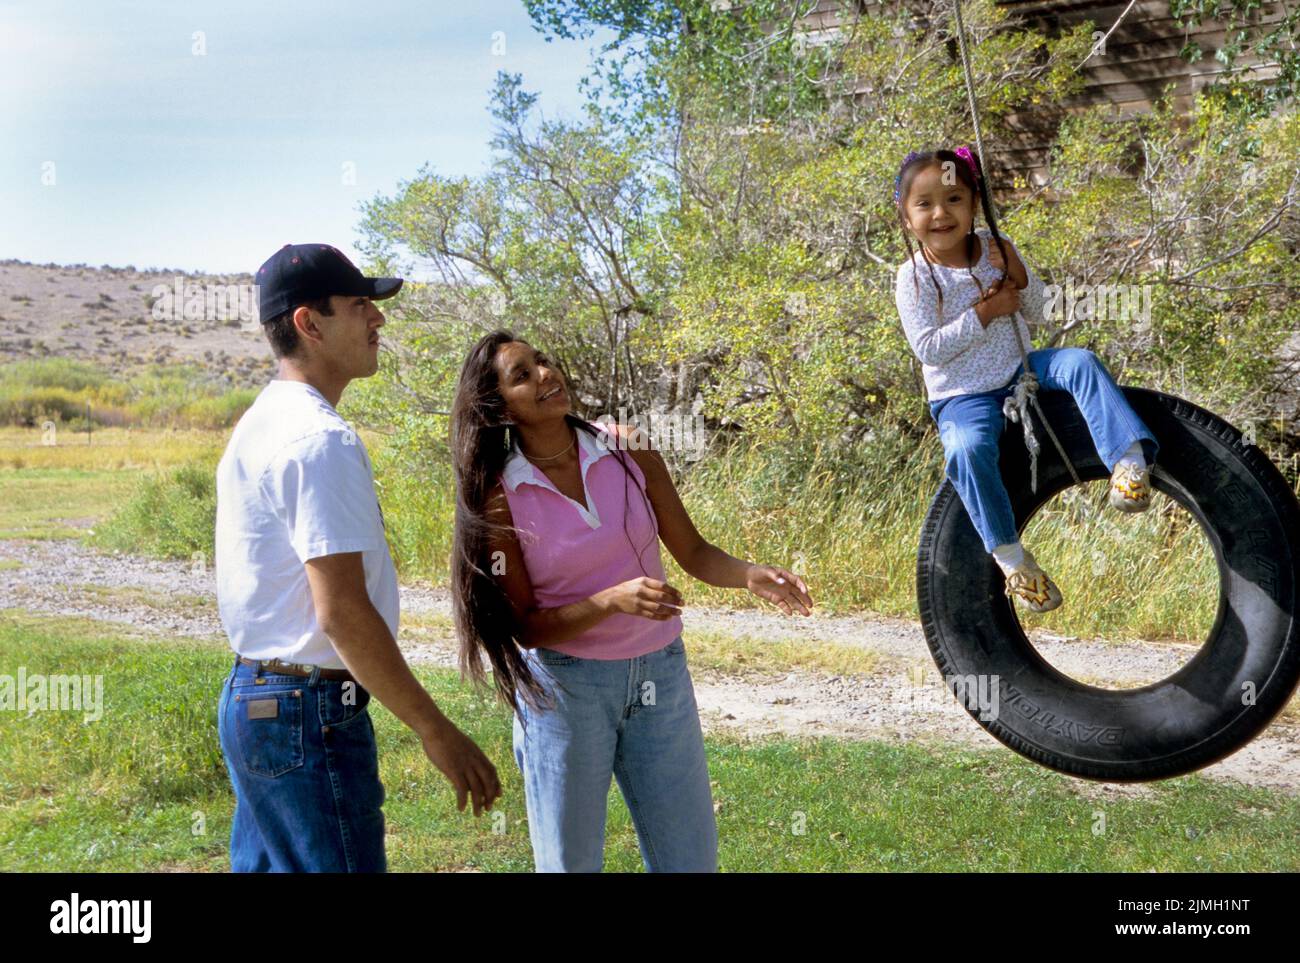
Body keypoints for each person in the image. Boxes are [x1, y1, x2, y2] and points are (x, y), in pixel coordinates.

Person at [448, 331, 814, 871]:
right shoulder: (499, 495)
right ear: (499, 408)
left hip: (659, 676)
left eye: (542, 360)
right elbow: (526, 627)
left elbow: (691, 549)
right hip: (566, 691)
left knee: (689, 860)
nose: (545, 374)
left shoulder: (627, 447)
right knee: (571, 864)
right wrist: (611, 600)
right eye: (522, 374)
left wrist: (748, 574)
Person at [214, 242, 500, 872]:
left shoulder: (263, 420)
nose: (379, 320)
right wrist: (436, 731)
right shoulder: (319, 439)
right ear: (308, 323)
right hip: (306, 712)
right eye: (359, 306)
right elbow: (341, 612)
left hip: (259, 699)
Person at [893, 147, 1160, 613]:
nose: (941, 213)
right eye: (925, 203)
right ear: (905, 214)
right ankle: (1013, 560)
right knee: (967, 450)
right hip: (962, 396)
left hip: (1021, 370)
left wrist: (1015, 269)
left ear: (974, 203)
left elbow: (1038, 311)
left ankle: (1130, 463)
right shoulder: (913, 277)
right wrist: (985, 312)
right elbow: (929, 349)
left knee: (1080, 361)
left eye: (954, 198)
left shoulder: (996, 246)